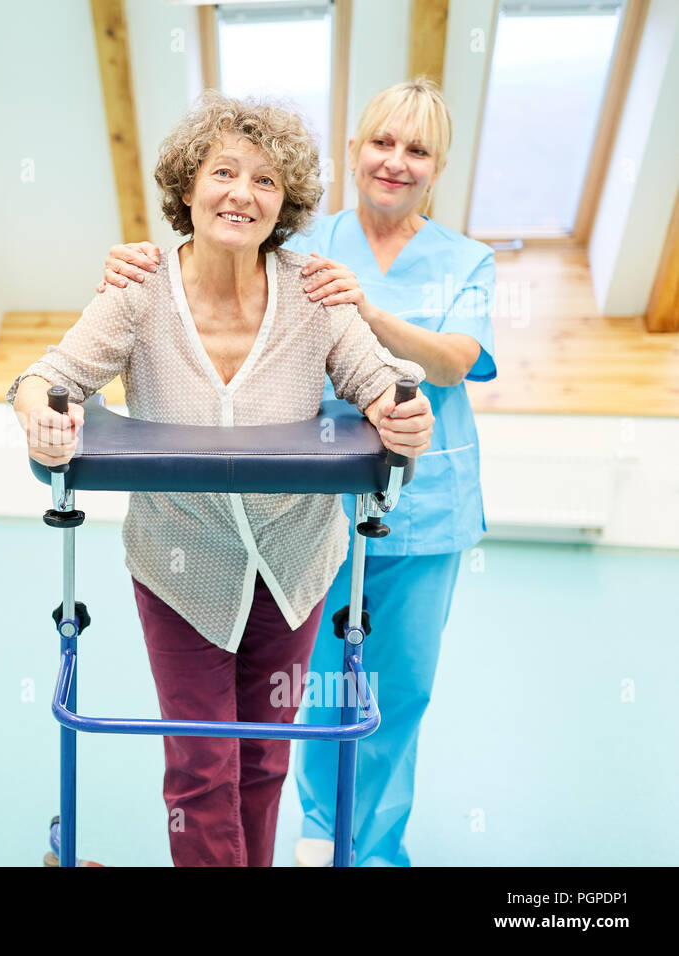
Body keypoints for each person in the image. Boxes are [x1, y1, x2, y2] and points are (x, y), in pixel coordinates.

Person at [7, 91, 433, 867]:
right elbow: (45, 378)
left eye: (266, 181)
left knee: (266, 759)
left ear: (286, 204)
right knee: (203, 767)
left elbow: (380, 382)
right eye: (224, 172)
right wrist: (41, 414)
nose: (242, 193)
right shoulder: (137, 290)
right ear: (188, 187)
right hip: (180, 566)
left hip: (296, 563)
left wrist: (404, 417)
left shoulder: (313, 291)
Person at [95, 78, 496, 867]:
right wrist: (138, 260)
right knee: (301, 698)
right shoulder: (303, 245)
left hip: (426, 499)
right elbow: (215, 254)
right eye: (382, 142)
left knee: (393, 695)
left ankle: (372, 854)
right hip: (303, 503)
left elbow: (458, 360)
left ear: (437, 167)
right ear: (353, 153)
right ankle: (317, 837)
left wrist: (369, 315)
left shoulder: (465, 259)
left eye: (418, 150)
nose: (396, 161)